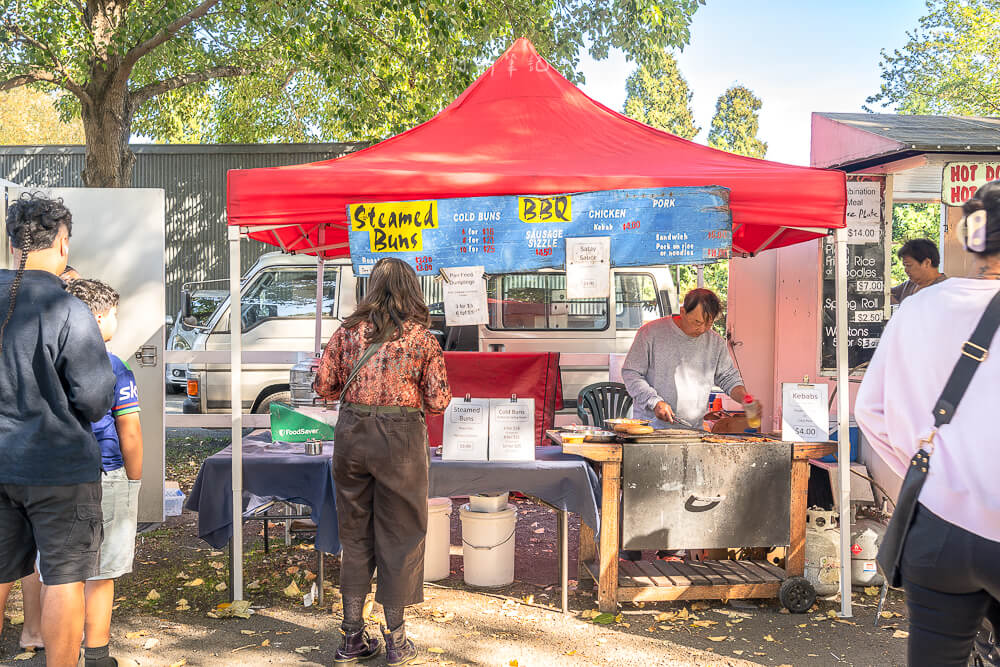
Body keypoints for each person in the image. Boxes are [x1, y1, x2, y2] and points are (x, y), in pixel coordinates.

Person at [856, 180, 1000, 666]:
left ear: (964, 236)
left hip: (936, 527)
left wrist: (931, 469)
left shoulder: (915, 310)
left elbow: (869, 412)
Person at [314, 257, 451, 666]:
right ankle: (396, 640)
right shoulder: (423, 340)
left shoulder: (345, 334)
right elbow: (439, 401)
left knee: (354, 537)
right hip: (401, 441)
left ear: (370, 287)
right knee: (402, 537)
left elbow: (324, 387)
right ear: (412, 288)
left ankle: (351, 640)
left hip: (352, 435)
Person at [0, 194, 115, 667]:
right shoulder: (70, 310)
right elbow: (95, 397)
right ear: (63, 243)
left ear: (12, 245)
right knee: (65, 577)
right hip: (60, 469)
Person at [65, 278, 143, 667]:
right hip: (106, 473)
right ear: (97, 318)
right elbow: (129, 428)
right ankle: (97, 654)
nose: (117, 320)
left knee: (62, 575)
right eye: (114, 314)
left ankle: (63, 653)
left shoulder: (46, 362)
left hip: (58, 477)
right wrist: (135, 478)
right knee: (101, 572)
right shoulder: (113, 365)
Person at [622, 288, 760, 429]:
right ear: (683, 312)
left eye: (708, 324)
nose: (702, 330)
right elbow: (631, 373)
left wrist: (745, 399)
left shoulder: (715, 342)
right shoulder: (650, 333)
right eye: (697, 322)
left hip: (693, 431)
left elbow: (728, 378)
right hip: (651, 430)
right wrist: (654, 402)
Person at [891, 238, 948, 305]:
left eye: (909, 265)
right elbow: (885, 293)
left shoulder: (944, 290)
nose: (906, 270)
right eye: (904, 266)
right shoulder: (910, 284)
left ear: (927, 263)